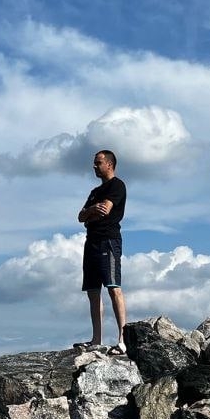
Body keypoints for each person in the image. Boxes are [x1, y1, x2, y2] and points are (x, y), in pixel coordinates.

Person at [76, 149, 127, 354]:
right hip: (92, 243)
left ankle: (123, 339)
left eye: (98, 163)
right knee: (92, 291)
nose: (94, 166)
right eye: (94, 163)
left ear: (109, 164)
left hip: (109, 241)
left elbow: (105, 210)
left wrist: (92, 213)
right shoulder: (94, 192)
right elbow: (81, 217)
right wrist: (91, 211)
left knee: (114, 288)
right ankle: (96, 339)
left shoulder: (117, 185)